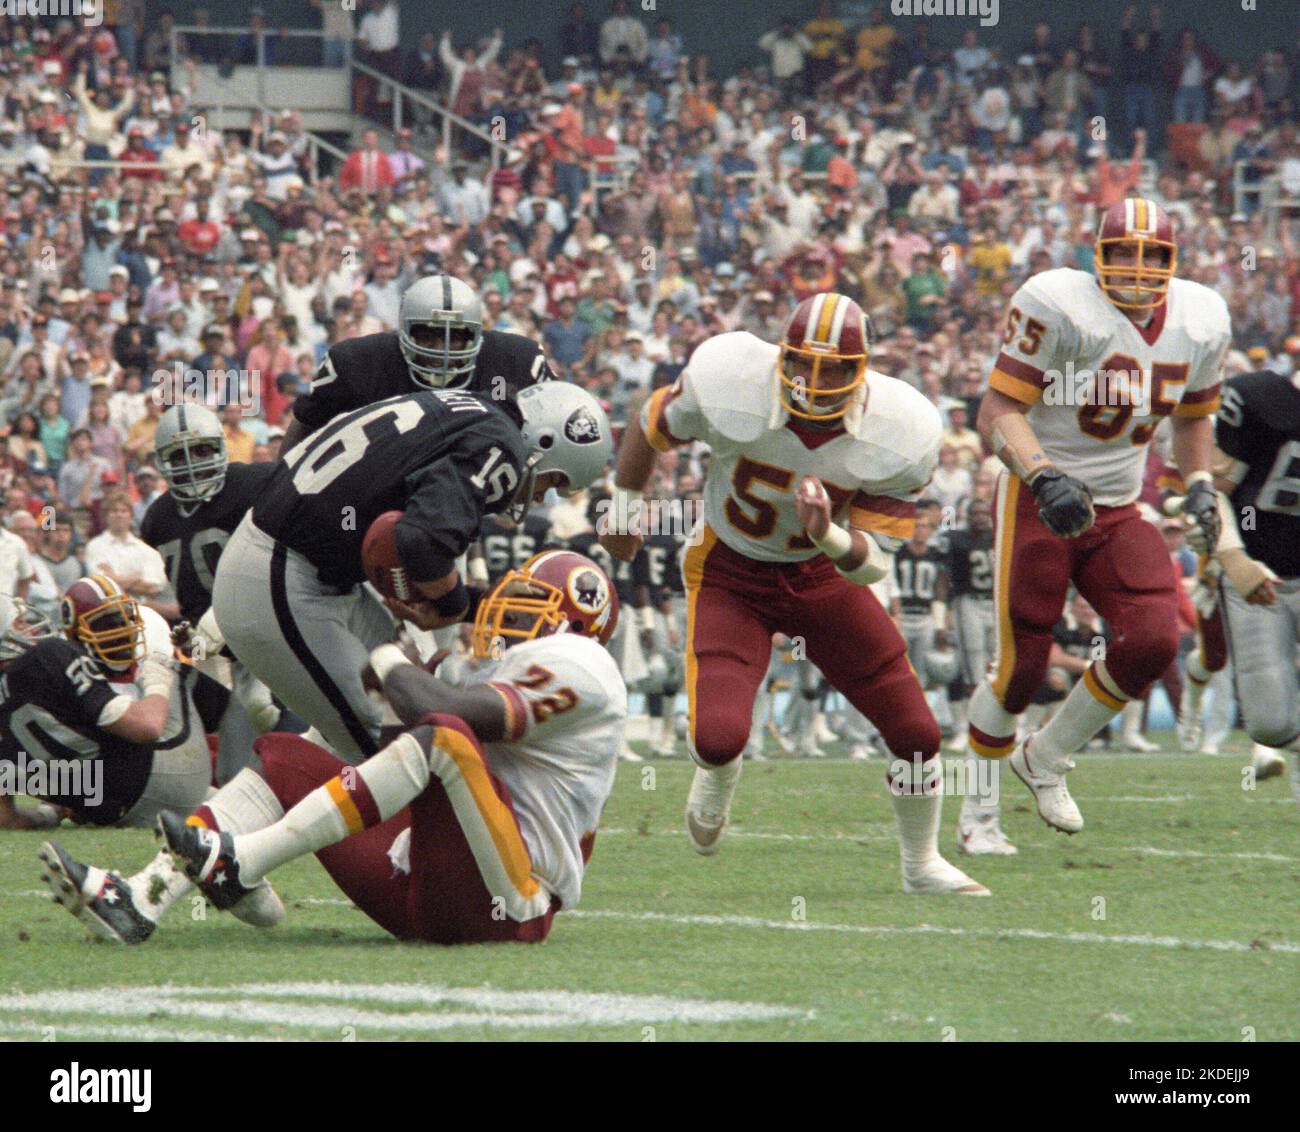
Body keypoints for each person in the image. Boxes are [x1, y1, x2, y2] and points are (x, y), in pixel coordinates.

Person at [601, 292, 986, 896]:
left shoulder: (899, 429)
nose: (813, 379)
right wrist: (625, 508)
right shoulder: (730, 378)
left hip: (823, 574)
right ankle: (718, 776)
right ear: (780, 356)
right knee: (717, 738)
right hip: (730, 569)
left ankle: (920, 863)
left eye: (833, 367)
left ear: (861, 370)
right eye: (803, 362)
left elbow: (874, 566)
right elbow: (648, 423)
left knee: (917, 732)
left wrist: (826, 533)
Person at [59, 551, 625, 947]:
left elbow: (446, 722)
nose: (510, 614)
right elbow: (399, 755)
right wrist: (386, 694)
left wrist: (383, 650)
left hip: (512, 903)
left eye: (532, 604)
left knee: (445, 738)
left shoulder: (587, 665)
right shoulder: (513, 666)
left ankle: (242, 862)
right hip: (424, 883)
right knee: (288, 753)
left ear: (578, 620)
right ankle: (141, 898)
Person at [966, 198, 1228, 850]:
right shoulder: (1057, 303)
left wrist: (1197, 483)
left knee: (1153, 639)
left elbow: (1194, 418)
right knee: (1022, 666)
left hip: (1115, 505)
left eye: (1151, 256)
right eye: (1122, 253)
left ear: (1173, 262)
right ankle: (978, 815)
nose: (1137, 269)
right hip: (1038, 495)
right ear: (1096, 256)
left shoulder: (1201, 320)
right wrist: (1043, 475)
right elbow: (996, 406)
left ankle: (1046, 756)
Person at [213, 382, 612, 763]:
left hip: (306, 570)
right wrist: (454, 604)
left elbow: (404, 528)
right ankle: (233, 830)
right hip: (281, 573)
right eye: (553, 479)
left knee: (405, 712)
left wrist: (473, 604)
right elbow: (423, 542)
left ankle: (226, 826)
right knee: (394, 752)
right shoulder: (500, 441)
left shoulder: (468, 407)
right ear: (542, 442)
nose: (542, 494)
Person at [280, 275, 555, 455]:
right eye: (428, 334)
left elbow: (559, 418)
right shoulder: (359, 362)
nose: (441, 349)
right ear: (405, 330)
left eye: (456, 337)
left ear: (476, 335)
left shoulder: (516, 359)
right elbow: (306, 423)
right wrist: (281, 481)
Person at [1210, 368, 1300, 794]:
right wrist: (1231, 552)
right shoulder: (1261, 399)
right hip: (1261, 578)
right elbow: (1213, 486)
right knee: (1269, 723)